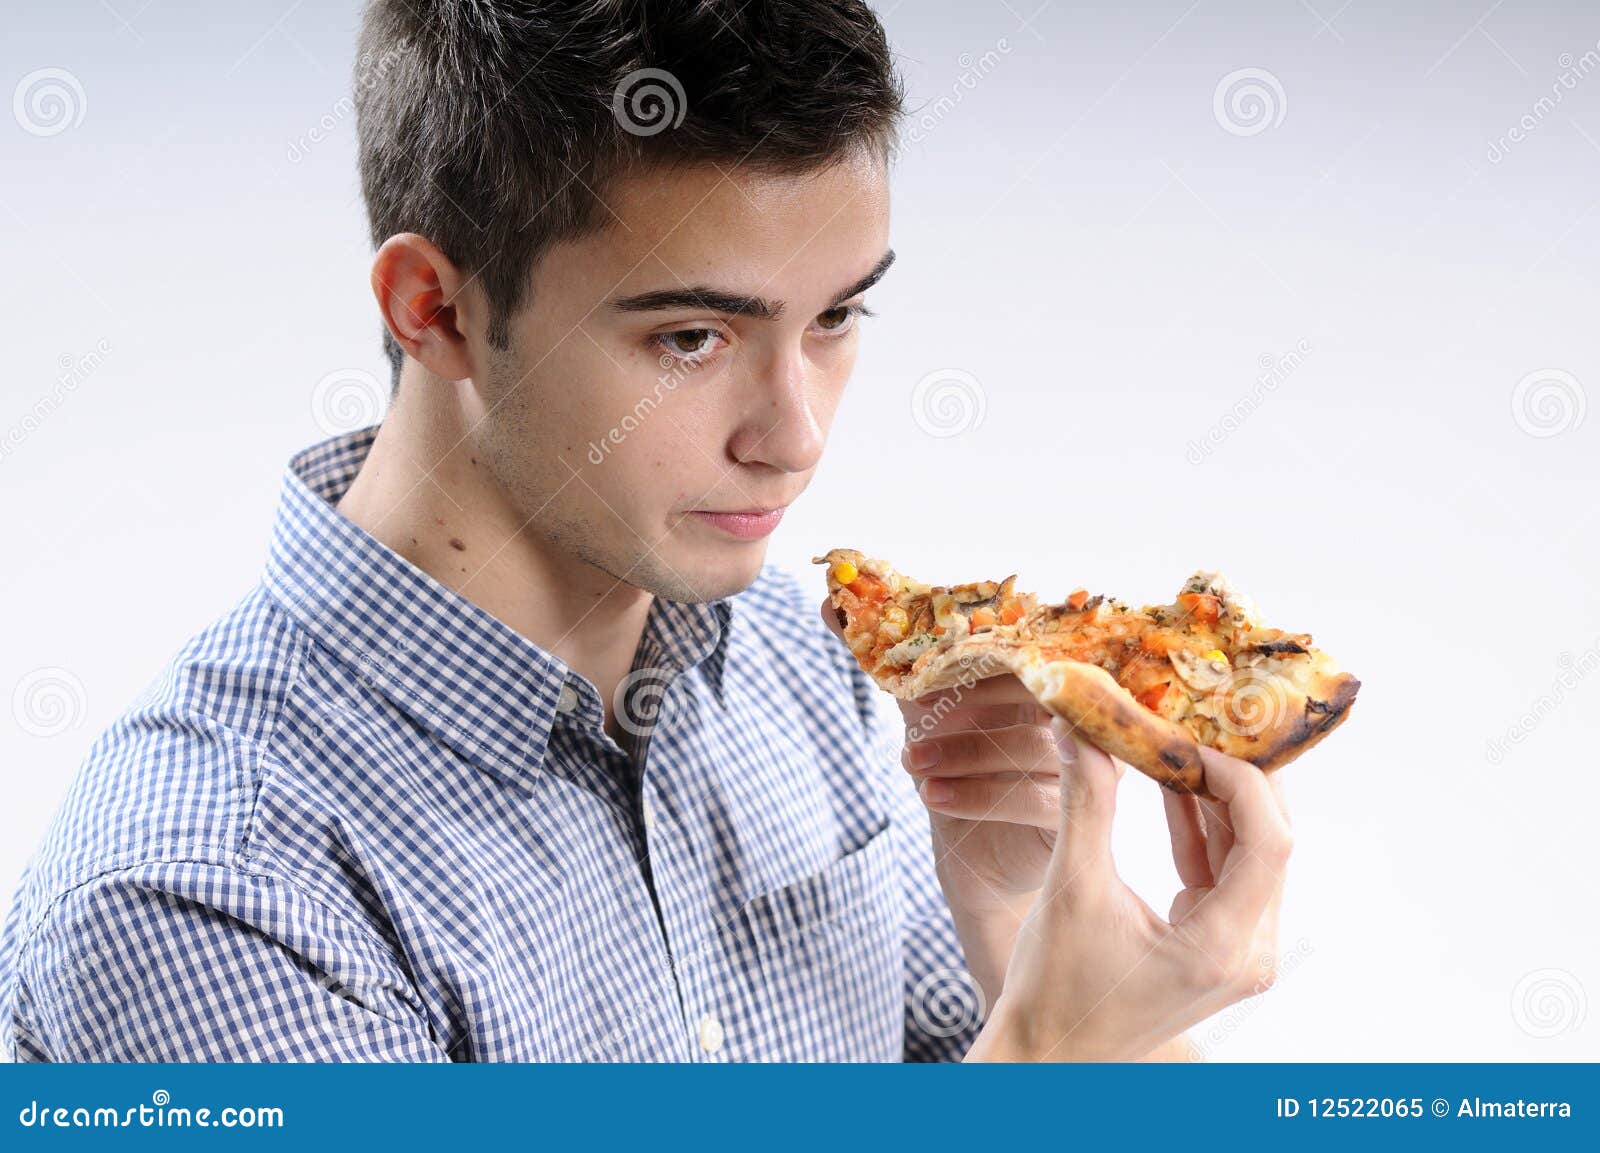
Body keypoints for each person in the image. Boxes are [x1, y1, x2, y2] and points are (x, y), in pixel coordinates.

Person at [0, 0, 1293, 1062]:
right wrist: (1047, 1074)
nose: (794, 437)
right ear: (434, 307)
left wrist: (1011, 927)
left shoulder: (789, 660)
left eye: (837, 317)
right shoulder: (201, 897)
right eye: (691, 337)